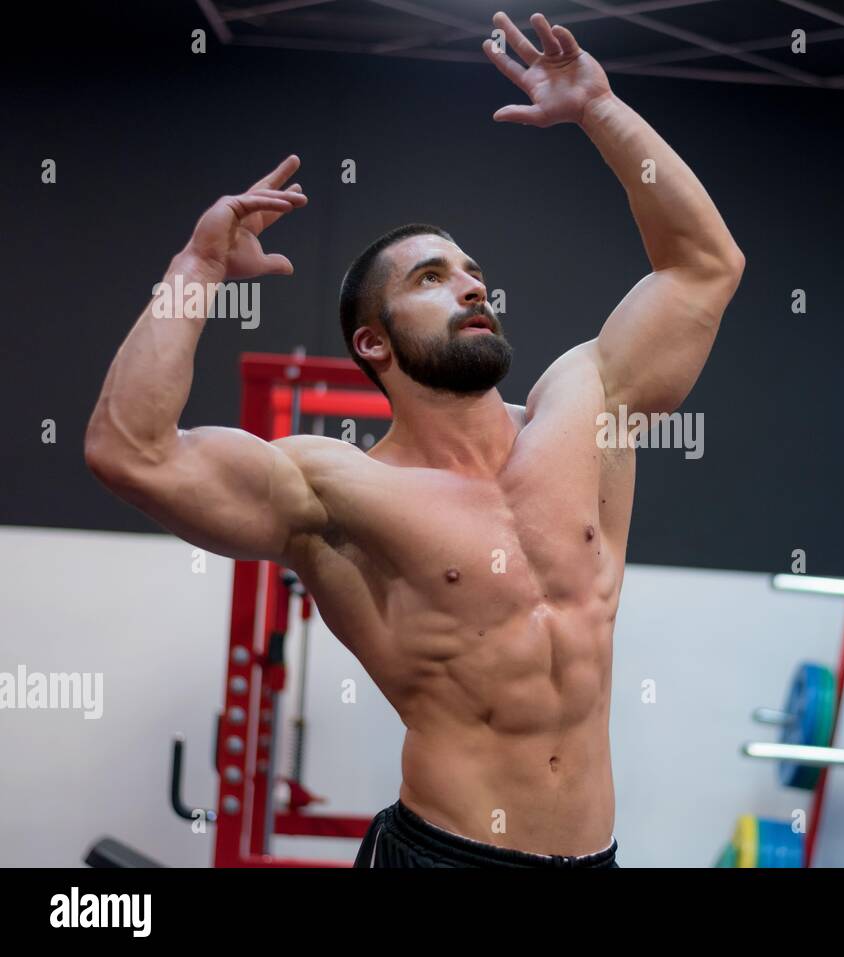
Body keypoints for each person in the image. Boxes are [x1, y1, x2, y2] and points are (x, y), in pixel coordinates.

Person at [84, 10, 744, 868]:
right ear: (374, 343)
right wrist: (196, 270)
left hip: (596, 856)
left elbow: (703, 266)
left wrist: (599, 109)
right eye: (433, 279)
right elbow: (129, 450)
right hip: (444, 856)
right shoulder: (336, 490)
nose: (472, 288)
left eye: (473, 274)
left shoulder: (588, 407)